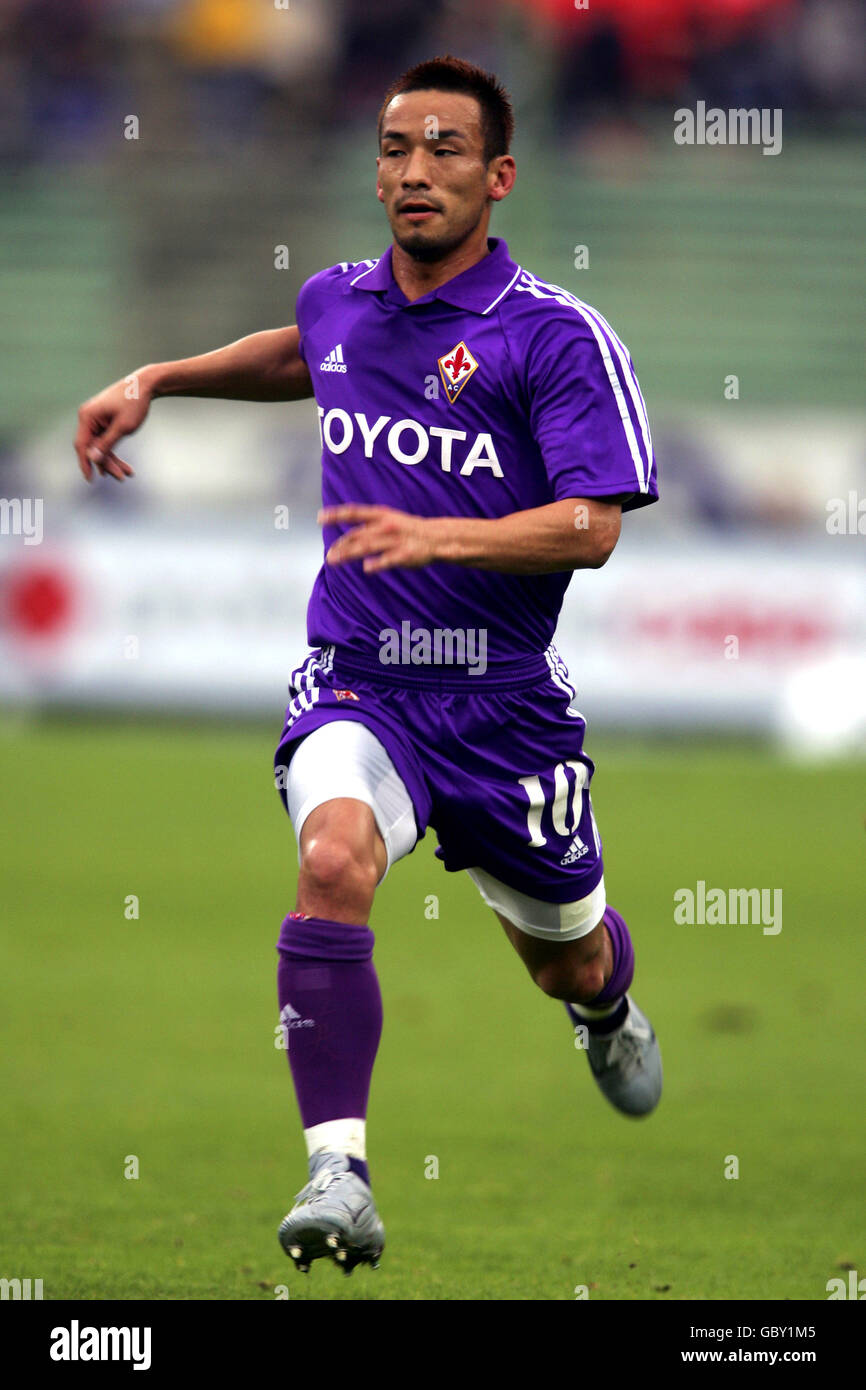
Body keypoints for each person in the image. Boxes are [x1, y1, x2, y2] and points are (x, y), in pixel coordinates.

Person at [74, 54, 662, 1280]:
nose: (414, 171)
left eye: (445, 149)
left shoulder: (552, 336)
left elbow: (593, 526)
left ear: (498, 176)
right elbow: (302, 352)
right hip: (360, 672)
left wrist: (444, 530)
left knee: (565, 949)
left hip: (502, 705)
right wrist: (159, 380)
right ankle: (337, 1170)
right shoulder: (344, 300)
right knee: (330, 858)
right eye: (395, 148)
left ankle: (601, 1007)